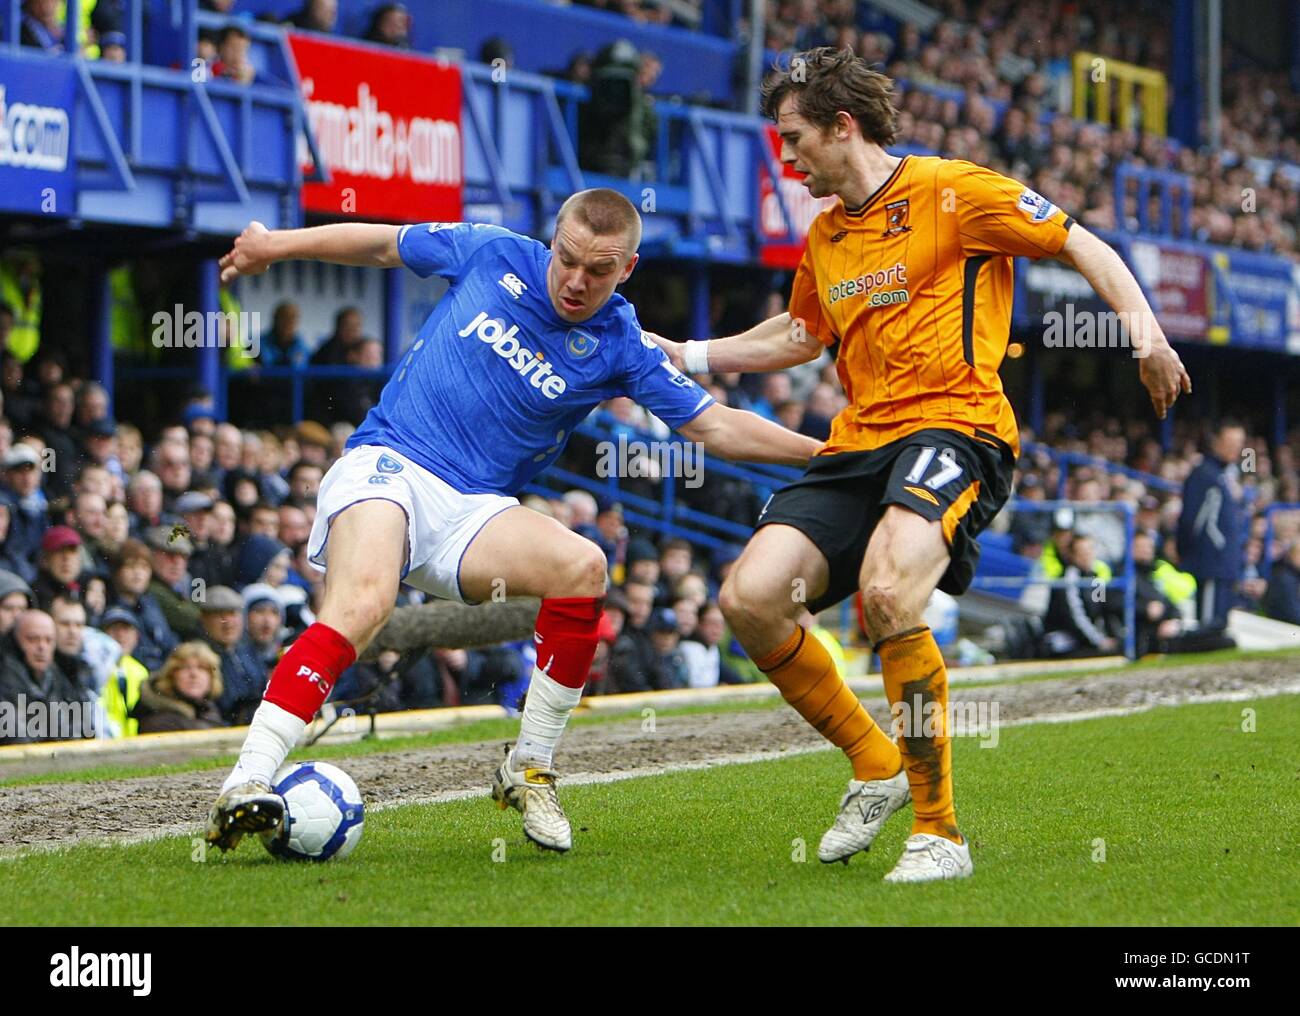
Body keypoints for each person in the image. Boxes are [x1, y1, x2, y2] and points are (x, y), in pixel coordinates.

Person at [655, 47, 1189, 882]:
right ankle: (876, 763)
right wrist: (684, 352)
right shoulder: (827, 234)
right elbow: (800, 336)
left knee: (890, 589)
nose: (785, 158)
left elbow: (1085, 244)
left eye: (794, 139)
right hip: (859, 442)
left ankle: (939, 834)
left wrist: (1146, 336)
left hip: (957, 428)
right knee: (750, 599)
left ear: (844, 126)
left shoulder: (955, 190)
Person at [207, 187, 820, 853]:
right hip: (391, 464)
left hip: (476, 511)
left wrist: (828, 453)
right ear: (552, 242)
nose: (577, 282)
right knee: (364, 601)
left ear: (628, 269)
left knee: (583, 568)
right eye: (568, 260)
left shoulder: (619, 342)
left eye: (600, 271)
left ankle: (528, 768)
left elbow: (717, 427)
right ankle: (247, 781)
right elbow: (383, 243)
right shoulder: (491, 251)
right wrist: (274, 245)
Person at [1176, 420, 1247, 633]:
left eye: (1239, 442)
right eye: (1230, 441)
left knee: (1220, 626)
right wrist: (1186, 550)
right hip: (1211, 562)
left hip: (1225, 563)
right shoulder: (1204, 474)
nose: (1235, 448)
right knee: (1208, 629)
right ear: (1216, 441)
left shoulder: (1227, 476)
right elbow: (1191, 519)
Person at [131, 641, 226, 734]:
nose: (194, 674)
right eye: (185, 667)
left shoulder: (210, 712)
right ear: (171, 675)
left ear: (212, 677)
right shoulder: (158, 720)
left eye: (202, 668)